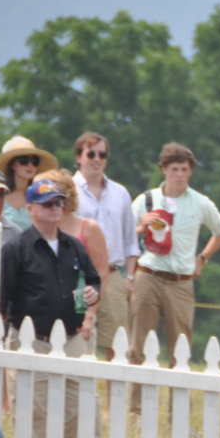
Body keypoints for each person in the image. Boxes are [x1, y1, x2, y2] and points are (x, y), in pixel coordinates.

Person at [0, 176, 101, 438]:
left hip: (71, 337)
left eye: (59, 203)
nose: (56, 208)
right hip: (32, 339)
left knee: (77, 407)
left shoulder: (74, 247)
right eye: (48, 204)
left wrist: (93, 295)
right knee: (33, 410)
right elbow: (3, 298)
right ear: (30, 209)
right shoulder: (17, 248)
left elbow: (93, 279)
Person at [129, 143, 220, 398]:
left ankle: (180, 413)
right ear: (163, 170)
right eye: (174, 169)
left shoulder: (200, 203)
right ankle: (136, 411)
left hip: (181, 280)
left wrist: (202, 258)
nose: (179, 175)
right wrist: (142, 226)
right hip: (149, 274)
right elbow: (124, 234)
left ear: (191, 172)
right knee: (138, 346)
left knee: (180, 349)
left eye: (184, 170)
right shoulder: (147, 200)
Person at [71, 132, 138, 361]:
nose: (97, 159)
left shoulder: (120, 193)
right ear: (79, 157)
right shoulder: (68, 191)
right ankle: (79, 396)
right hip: (78, 277)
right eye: (91, 154)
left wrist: (129, 277)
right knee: (79, 338)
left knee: (117, 347)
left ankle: (114, 398)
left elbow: (131, 240)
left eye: (102, 154)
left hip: (113, 276)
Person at [35, 170, 113, 348]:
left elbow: (102, 275)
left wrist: (90, 315)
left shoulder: (89, 228)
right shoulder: (38, 229)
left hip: (79, 315)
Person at [0, 136, 59, 233]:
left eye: (35, 161)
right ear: (12, 164)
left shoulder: (41, 197)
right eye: (24, 160)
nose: (30, 165)